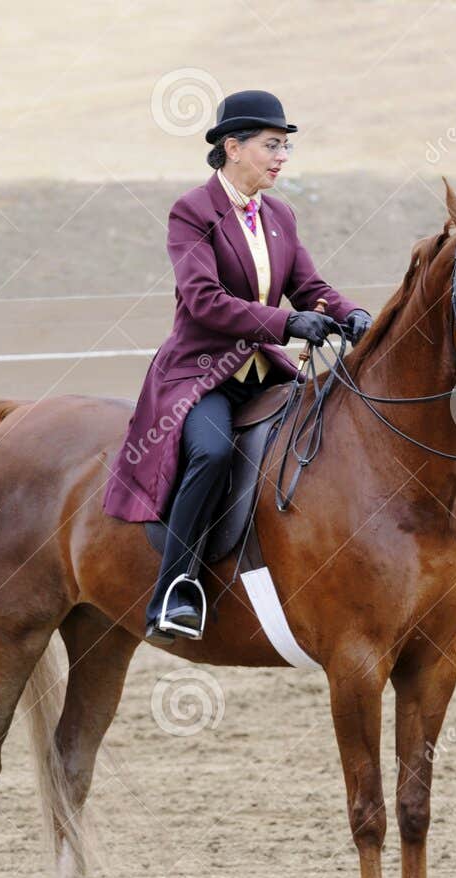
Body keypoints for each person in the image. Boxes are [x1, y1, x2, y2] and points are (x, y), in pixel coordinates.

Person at [101, 90, 372, 641]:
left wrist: (354, 315)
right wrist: (286, 325)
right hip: (201, 372)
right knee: (213, 449)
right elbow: (203, 298)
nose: (282, 158)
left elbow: (308, 287)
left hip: (264, 371)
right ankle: (175, 590)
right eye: (272, 145)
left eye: (285, 147)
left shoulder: (279, 214)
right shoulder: (192, 212)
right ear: (233, 147)